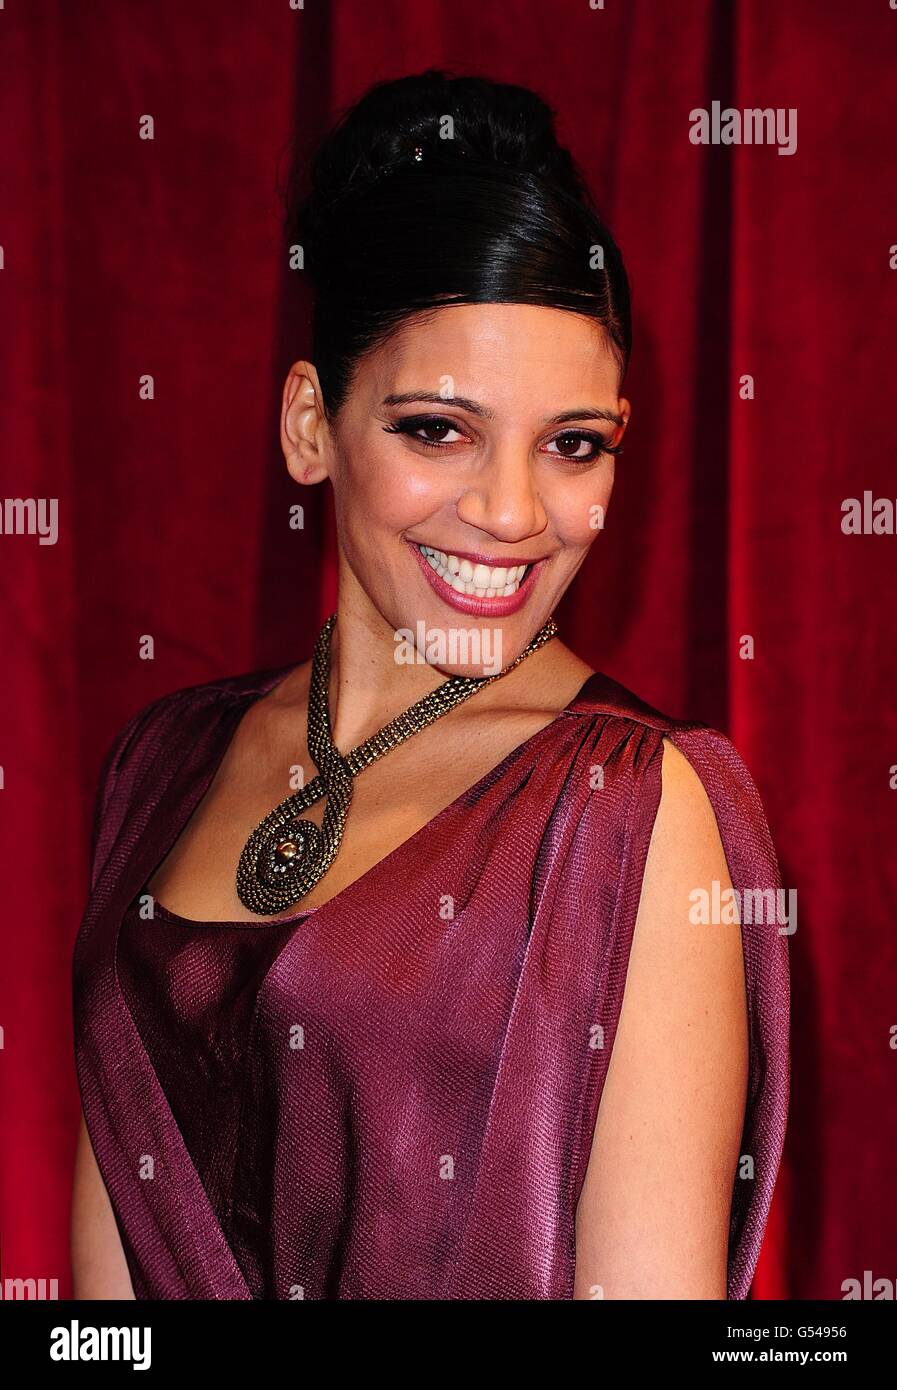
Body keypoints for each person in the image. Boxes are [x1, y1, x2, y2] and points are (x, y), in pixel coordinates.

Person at [71, 69, 790, 1300]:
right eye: (436, 429)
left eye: (573, 445)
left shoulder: (632, 809)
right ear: (311, 426)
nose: (513, 514)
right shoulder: (159, 765)